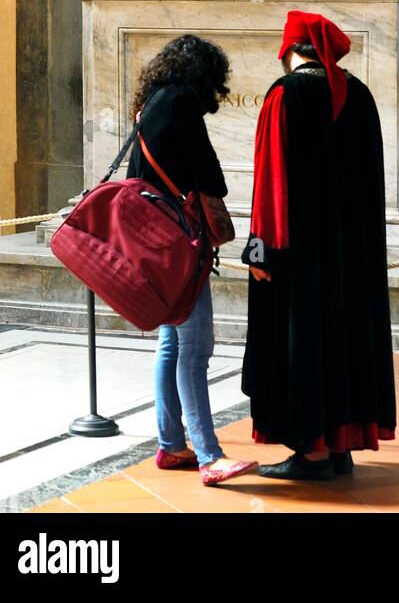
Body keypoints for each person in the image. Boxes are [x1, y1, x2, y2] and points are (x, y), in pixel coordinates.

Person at [241, 10, 397, 481]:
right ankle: (340, 446)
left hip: (300, 255)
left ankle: (310, 452)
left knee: (302, 343)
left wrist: (261, 252)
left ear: (290, 50)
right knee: (345, 338)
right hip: (352, 256)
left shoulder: (285, 94)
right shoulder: (362, 96)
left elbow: (270, 182)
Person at [127, 34, 255, 487]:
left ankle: (171, 444)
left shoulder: (151, 102)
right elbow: (211, 175)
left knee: (172, 343)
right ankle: (209, 454)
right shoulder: (182, 101)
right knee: (196, 347)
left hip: (152, 240)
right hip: (181, 242)